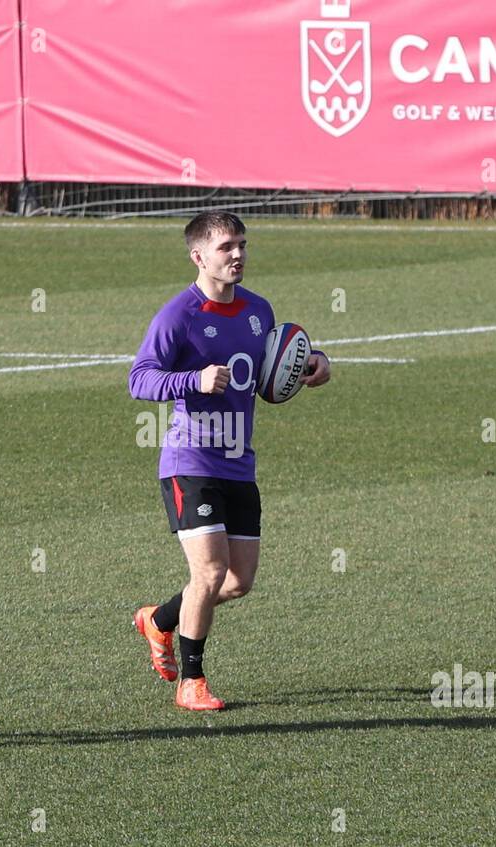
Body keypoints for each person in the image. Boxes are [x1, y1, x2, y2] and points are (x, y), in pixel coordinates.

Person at [129, 212, 330, 710]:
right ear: (199, 257)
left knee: (238, 583)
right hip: (189, 461)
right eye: (225, 248)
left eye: (241, 244)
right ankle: (191, 682)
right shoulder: (179, 315)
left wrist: (315, 363)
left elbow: (278, 362)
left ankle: (158, 621)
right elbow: (139, 379)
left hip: (240, 463)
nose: (237, 254)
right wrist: (190, 381)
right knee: (211, 572)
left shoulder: (259, 310)